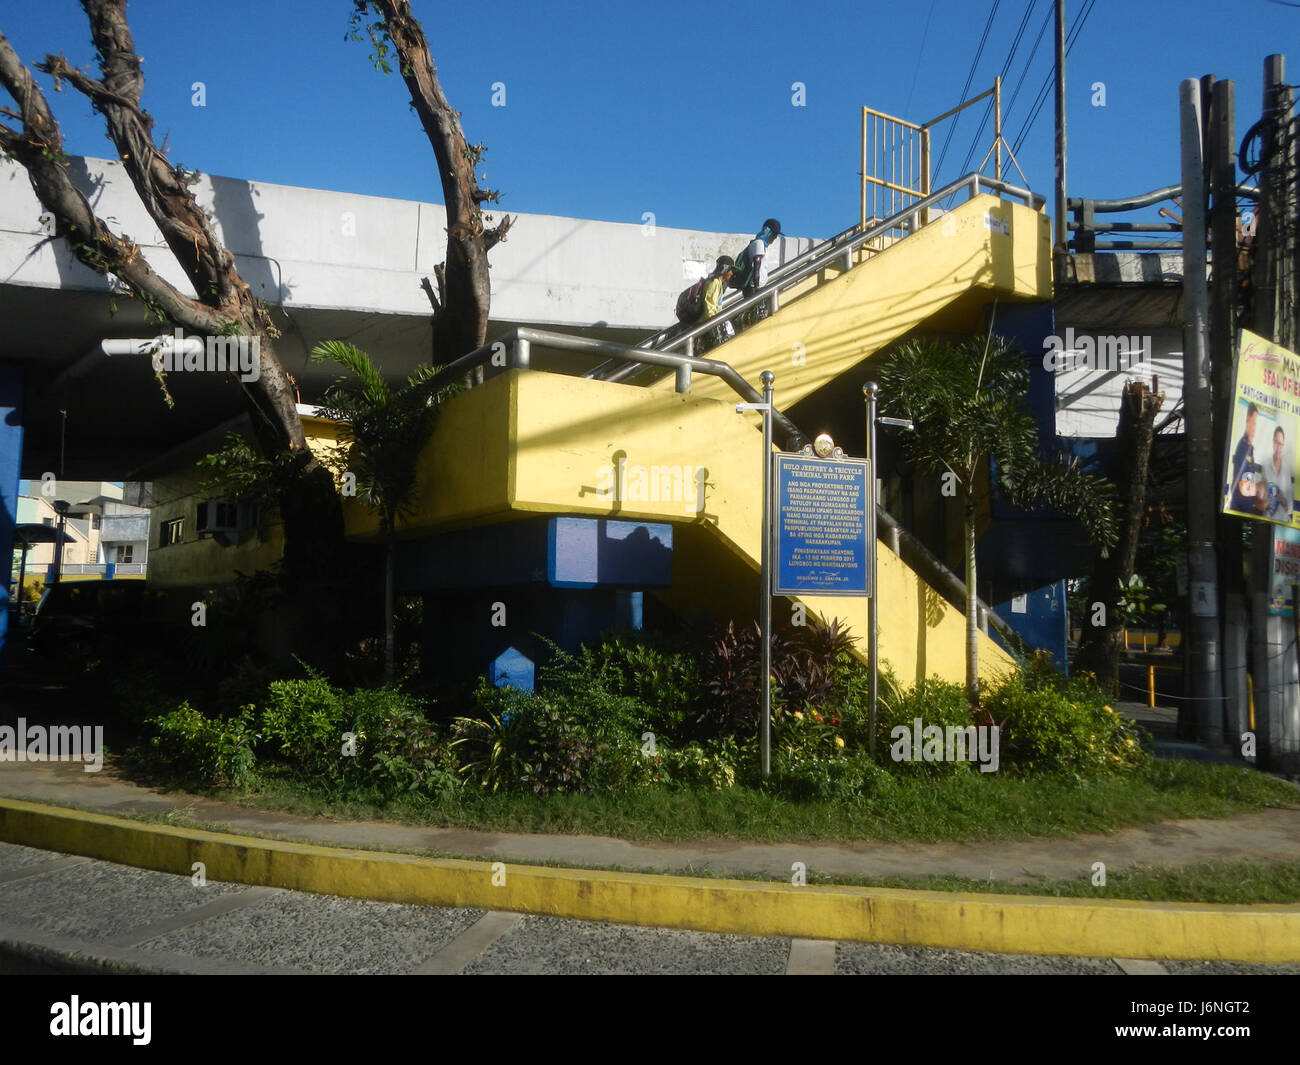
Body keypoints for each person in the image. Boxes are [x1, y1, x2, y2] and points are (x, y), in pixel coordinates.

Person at [728, 219, 781, 329]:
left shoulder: (760, 244)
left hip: (757, 286)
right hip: (754, 287)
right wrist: (757, 287)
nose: (775, 238)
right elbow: (756, 267)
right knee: (753, 314)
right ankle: (735, 322)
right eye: (774, 235)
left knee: (754, 313)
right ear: (769, 233)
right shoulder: (759, 244)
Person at [697, 255, 735, 353]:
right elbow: (709, 307)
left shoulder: (717, 282)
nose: (732, 273)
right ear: (725, 269)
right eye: (731, 269)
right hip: (707, 324)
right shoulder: (713, 282)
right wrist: (714, 326)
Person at [1229, 403, 1261, 513]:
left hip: (1247, 506)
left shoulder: (1250, 447)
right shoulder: (1242, 446)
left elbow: (1249, 477)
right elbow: (1242, 486)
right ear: (1247, 421)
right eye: (1253, 422)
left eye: (1256, 423)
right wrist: (1260, 488)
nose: (1255, 428)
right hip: (1239, 508)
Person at [1261, 425, 1294, 521]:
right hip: (1268, 519)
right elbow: (1262, 500)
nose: (1278, 447)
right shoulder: (1265, 466)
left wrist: (1282, 499)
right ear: (1273, 442)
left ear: (1283, 445)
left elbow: (1289, 505)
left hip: (1283, 521)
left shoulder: (1287, 469)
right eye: (1276, 442)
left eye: (1281, 444)